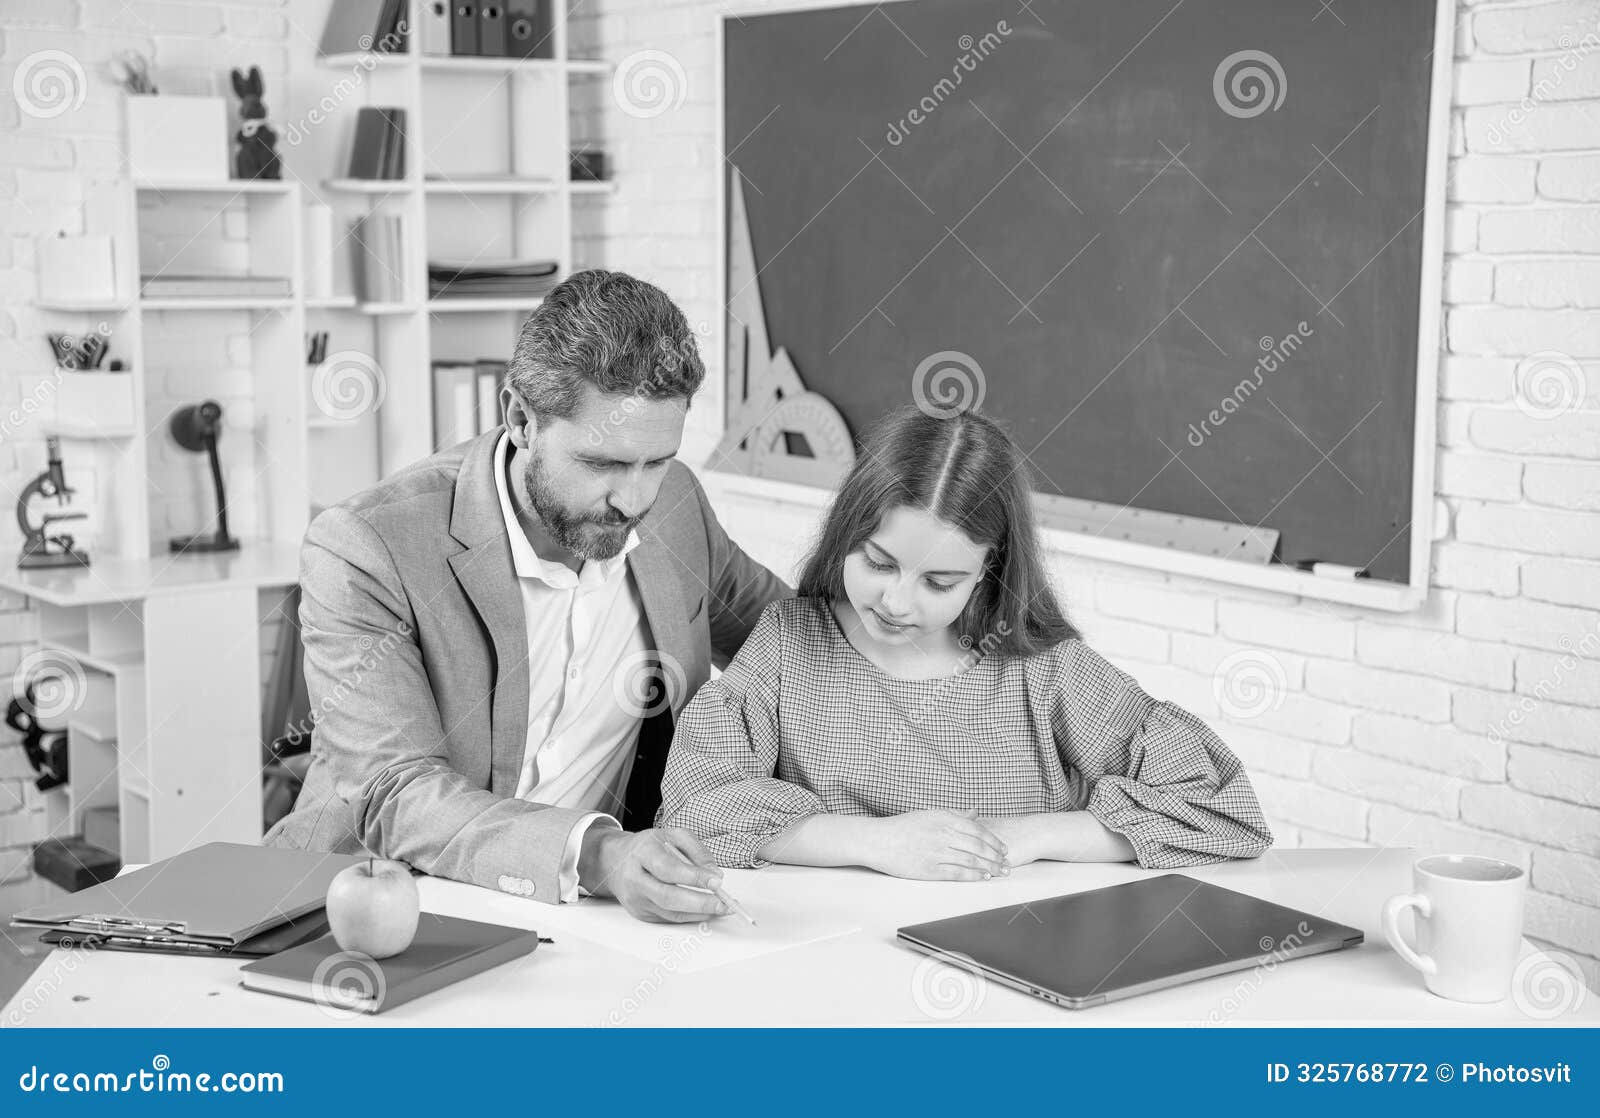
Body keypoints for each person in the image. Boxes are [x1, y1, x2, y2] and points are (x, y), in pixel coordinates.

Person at [267, 270, 791, 922]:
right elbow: (395, 791)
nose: (633, 500)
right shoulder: (368, 546)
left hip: (588, 923)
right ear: (520, 419)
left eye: (654, 462)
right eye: (601, 464)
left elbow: (793, 640)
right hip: (374, 909)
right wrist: (602, 854)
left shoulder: (675, 501)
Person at [657, 405, 1273, 879]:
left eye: (939, 581)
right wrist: (878, 843)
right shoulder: (789, 646)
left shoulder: (1043, 670)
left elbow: (1221, 809)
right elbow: (694, 804)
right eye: (878, 562)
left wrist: (1021, 838)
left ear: (989, 571)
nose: (897, 602)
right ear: (846, 533)